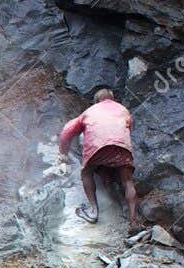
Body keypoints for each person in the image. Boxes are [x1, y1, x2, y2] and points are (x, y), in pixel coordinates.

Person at [59, 88, 140, 227]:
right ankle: (134, 221)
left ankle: (94, 211)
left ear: (96, 101)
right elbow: (129, 128)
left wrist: (63, 155)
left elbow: (67, 132)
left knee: (86, 172)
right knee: (127, 181)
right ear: (112, 98)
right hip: (122, 148)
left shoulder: (89, 112)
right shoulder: (123, 110)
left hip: (98, 149)